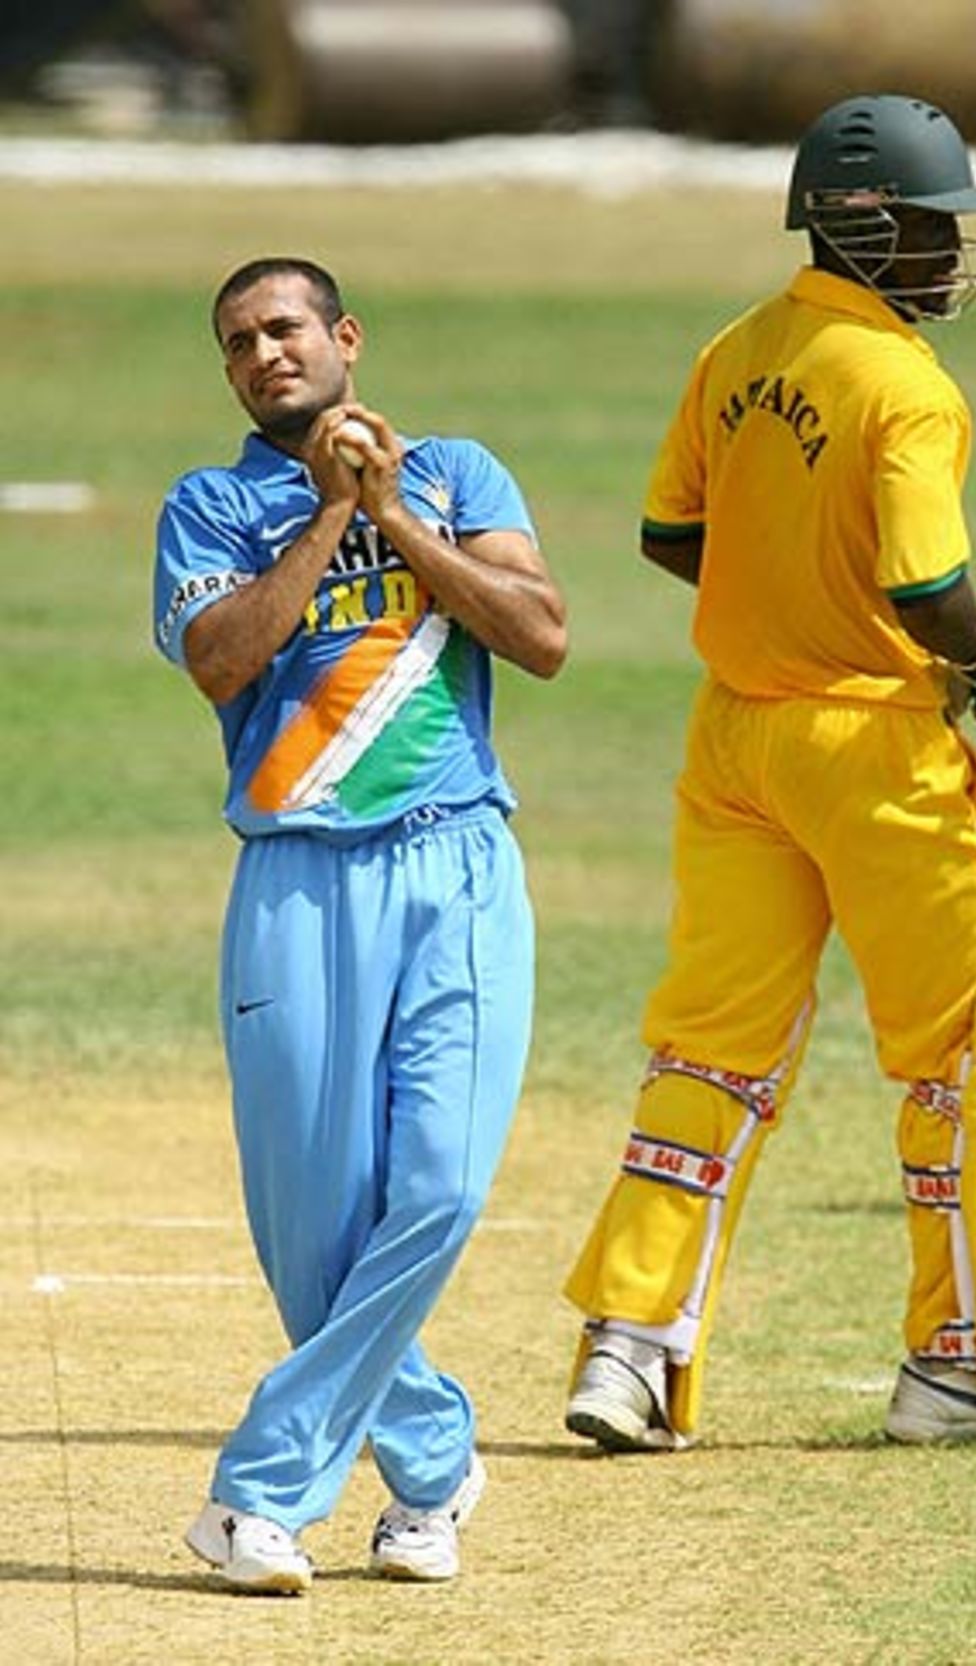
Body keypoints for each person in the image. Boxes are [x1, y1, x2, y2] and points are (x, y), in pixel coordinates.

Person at [562, 93, 976, 1455]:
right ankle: (963, 1365)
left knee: (713, 1048)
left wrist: (807, 598)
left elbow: (674, 535)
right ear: (863, 227)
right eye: (932, 226)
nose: (952, 252)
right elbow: (928, 586)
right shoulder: (907, 387)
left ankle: (630, 1347)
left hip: (736, 739)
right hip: (873, 754)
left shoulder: (738, 348)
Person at [153, 257, 567, 1592]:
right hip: (296, 875)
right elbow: (220, 658)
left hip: (458, 861)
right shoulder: (211, 505)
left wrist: (394, 513)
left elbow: (541, 634)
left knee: (440, 1187)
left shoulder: (455, 473)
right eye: (236, 343)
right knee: (315, 1226)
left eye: (282, 328)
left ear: (344, 337)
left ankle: (258, 1494)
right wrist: (331, 516)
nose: (262, 354)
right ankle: (432, 1467)